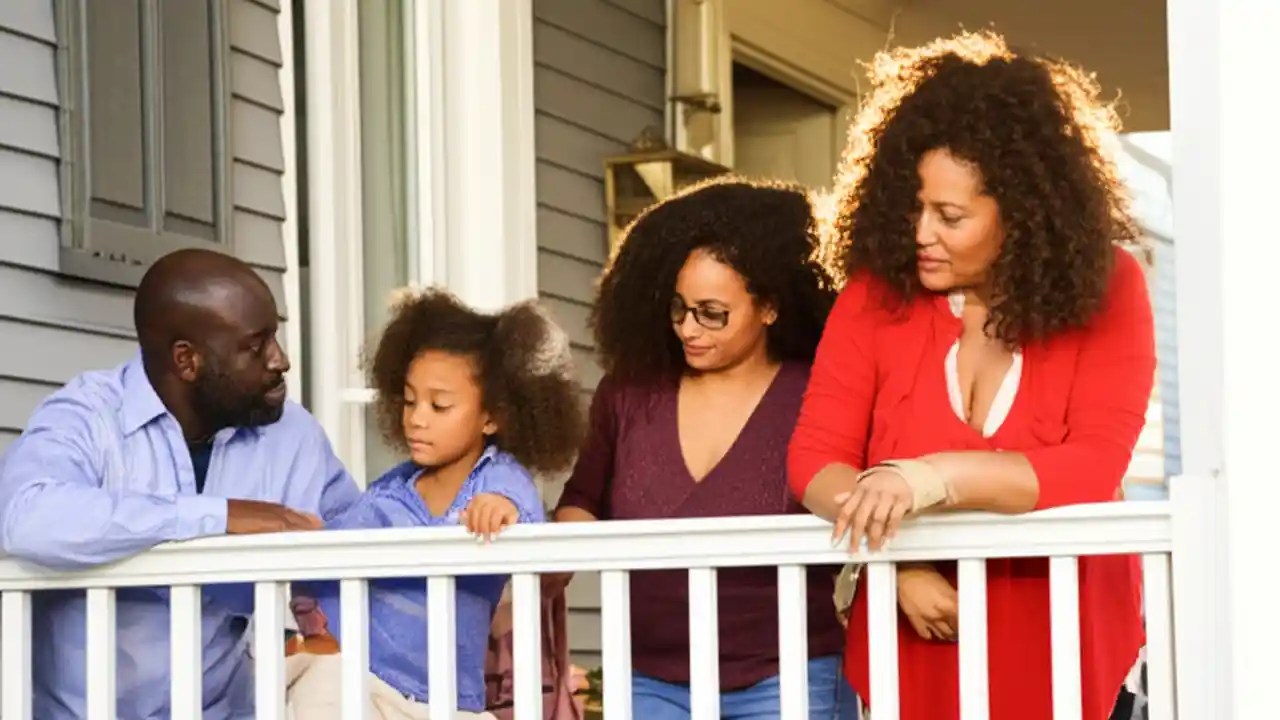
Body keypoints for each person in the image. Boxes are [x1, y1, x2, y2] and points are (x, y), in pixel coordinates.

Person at [786, 32, 1155, 720]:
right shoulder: (873, 298)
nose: (921, 232)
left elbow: (1093, 466)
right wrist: (892, 566)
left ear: (1023, 213)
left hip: (1067, 633)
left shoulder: (1112, 288)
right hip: (916, 634)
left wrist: (925, 478)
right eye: (913, 206)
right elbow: (813, 461)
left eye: (950, 216)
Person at [0, 249, 361, 719]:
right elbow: (27, 516)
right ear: (186, 361)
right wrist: (219, 516)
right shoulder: (88, 417)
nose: (281, 360)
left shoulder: (292, 436)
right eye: (256, 345)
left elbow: (362, 536)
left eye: (275, 337)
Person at [550, 178, 858, 719]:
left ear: (768, 308)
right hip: (650, 679)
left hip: (787, 673)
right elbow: (582, 502)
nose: (689, 329)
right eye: (678, 308)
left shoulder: (818, 391)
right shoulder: (629, 395)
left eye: (712, 312)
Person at [285, 289, 586, 719]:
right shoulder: (391, 490)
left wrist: (500, 507)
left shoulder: (495, 478)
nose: (416, 418)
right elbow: (327, 551)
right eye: (409, 401)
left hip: (447, 697)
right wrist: (313, 620)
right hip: (366, 678)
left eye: (439, 405)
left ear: (492, 416)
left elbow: (519, 503)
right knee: (320, 686)